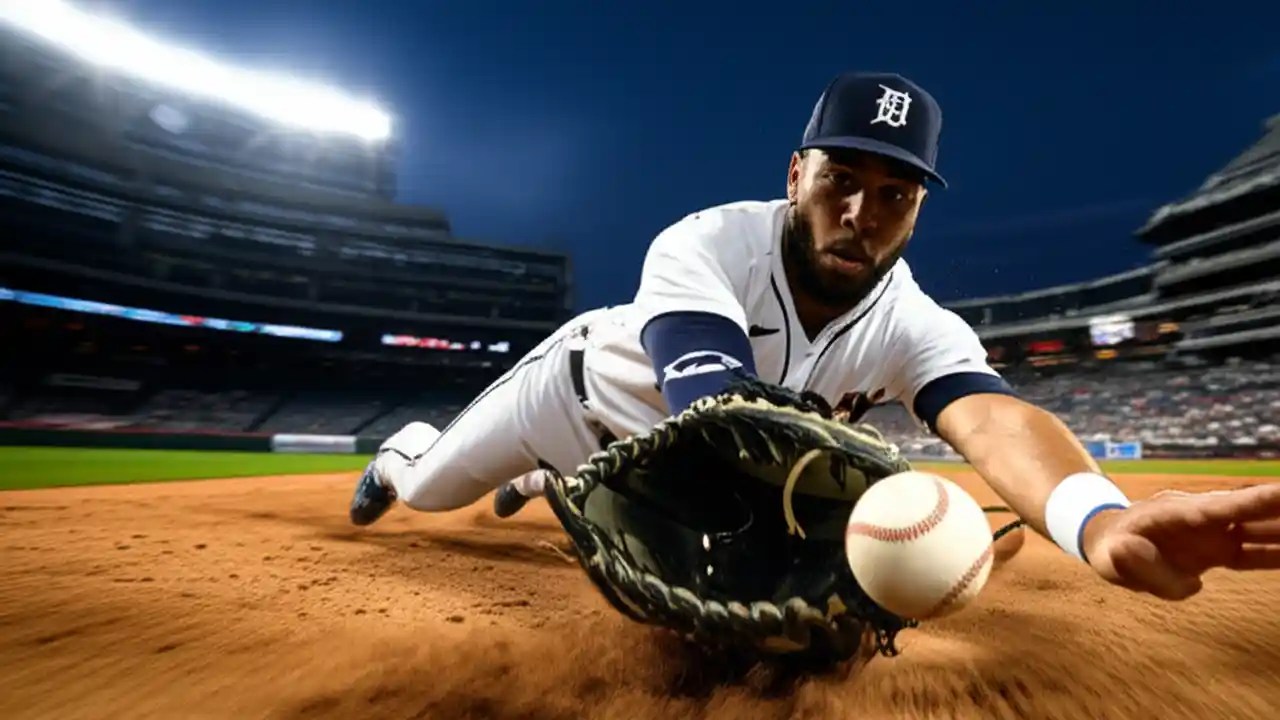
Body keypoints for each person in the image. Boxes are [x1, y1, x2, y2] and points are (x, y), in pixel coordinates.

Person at [350, 70, 1280, 603]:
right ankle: (407, 456)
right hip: (575, 399)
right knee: (432, 493)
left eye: (895, 194)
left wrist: (1100, 521)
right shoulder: (706, 243)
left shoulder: (914, 321)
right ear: (796, 174)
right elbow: (715, 418)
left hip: (679, 452)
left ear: (917, 212)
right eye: (842, 177)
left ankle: (545, 486)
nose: (860, 212)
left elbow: (994, 422)